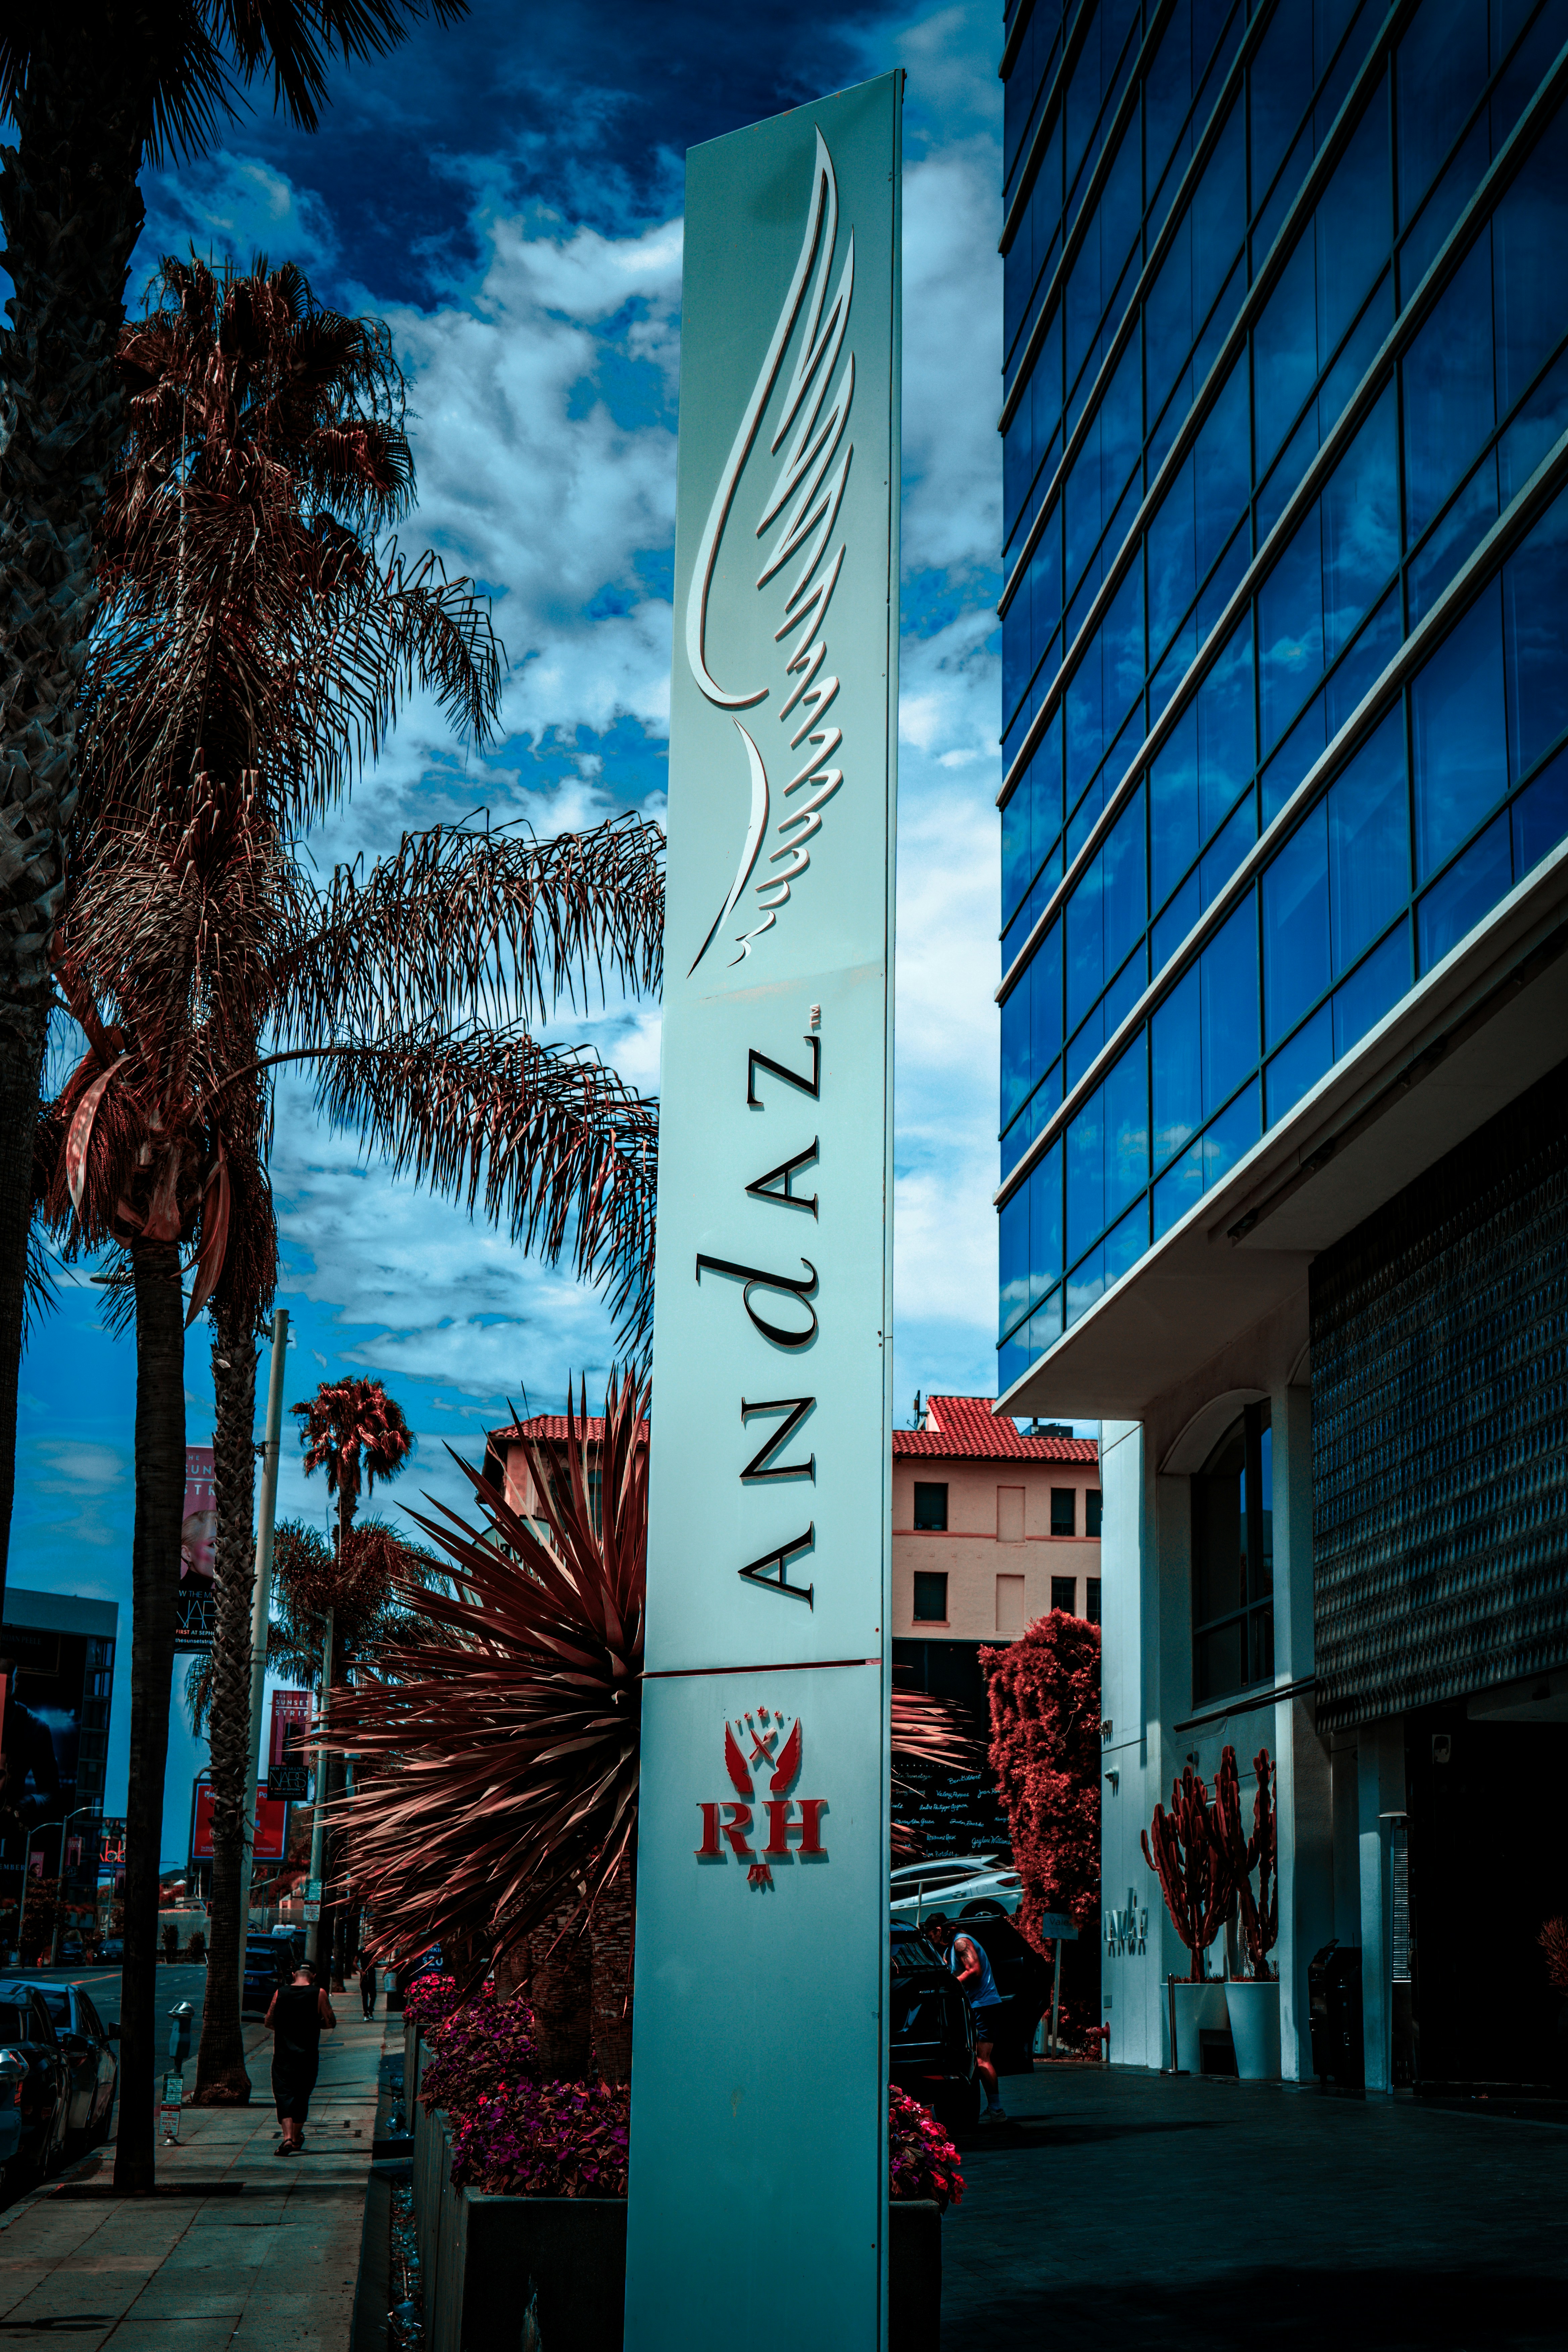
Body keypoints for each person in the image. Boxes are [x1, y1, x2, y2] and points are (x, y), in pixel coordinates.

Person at [925, 1914, 1007, 2122]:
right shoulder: (952, 1947)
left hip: (985, 2006)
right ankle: (994, 2109)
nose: (930, 1937)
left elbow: (974, 1970)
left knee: (982, 2059)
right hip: (977, 2006)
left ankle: (997, 2110)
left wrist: (952, 1986)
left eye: (931, 1933)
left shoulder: (961, 1943)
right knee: (976, 2059)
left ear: (940, 1929)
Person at [264, 1965, 336, 2152]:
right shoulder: (319, 1993)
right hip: (308, 2055)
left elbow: (269, 2021)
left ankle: (287, 2138)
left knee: (283, 2095)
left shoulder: (281, 1992)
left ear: (294, 1975)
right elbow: (330, 2022)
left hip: (283, 2055)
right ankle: (296, 2139)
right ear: (313, 1976)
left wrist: (286, 2030)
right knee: (302, 2095)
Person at [358, 1950, 377, 2021]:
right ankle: (366, 2014)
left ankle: (370, 2011)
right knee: (365, 1996)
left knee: (373, 1995)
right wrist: (361, 1971)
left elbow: (377, 1963)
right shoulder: (361, 1952)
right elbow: (354, 1963)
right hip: (365, 1975)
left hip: (372, 1975)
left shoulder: (373, 1952)